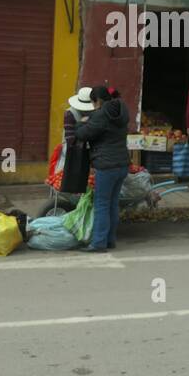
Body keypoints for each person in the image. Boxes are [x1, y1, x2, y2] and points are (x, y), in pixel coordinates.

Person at [74, 85, 130, 252]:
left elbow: (84, 134)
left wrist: (79, 124)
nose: (92, 106)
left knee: (102, 204)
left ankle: (98, 243)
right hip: (122, 164)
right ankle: (110, 240)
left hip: (107, 165)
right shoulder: (121, 110)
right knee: (112, 203)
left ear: (97, 101)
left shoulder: (101, 114)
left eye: (92, 103)